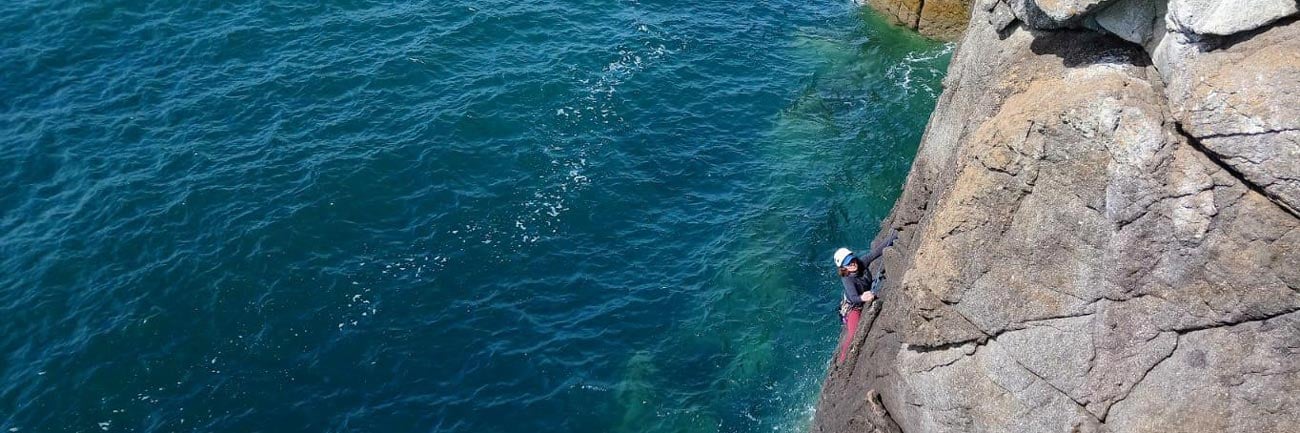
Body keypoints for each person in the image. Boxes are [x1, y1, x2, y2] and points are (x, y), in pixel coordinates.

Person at [832, 230, 898, 364]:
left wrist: (894, 236)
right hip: (854, 307)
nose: (852, 264)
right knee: (853, 334)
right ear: (843, 268)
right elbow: (854, 297)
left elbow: (877, 252)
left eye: (852, 260)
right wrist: (863, 298)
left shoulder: (861, 263)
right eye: (848, 263)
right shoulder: (847, 280)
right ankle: (842, 359)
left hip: (862, 296)